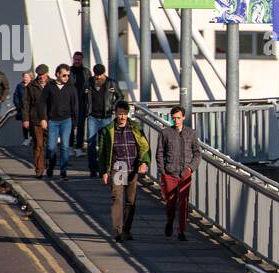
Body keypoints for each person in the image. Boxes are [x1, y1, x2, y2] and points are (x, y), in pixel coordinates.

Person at [96, 101, 150, 243]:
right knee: (117, 199)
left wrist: (144, 162)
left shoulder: (136, 128)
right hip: (118, 167)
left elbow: (145, 146)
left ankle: (126, 229)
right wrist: (104, 171)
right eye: (120, 114)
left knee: (130, 201)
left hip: (132, 167)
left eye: (124, 114)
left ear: (128, 114)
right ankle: (117, 231)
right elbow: (102, 152)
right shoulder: (108, 130)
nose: (122, 117)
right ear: (115, 113)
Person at [155, 105, 200, 241]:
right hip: (170, 173)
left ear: (184, 118)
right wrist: (162, 170)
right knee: (171, 202)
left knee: (184, 202)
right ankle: (170, 221)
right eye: (174, 118)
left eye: (178, 118)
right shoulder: (165, 133)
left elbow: (197, 153)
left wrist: (190, 168)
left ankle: (181, 231)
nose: (176, 121)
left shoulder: (191, 133)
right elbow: (160, 152)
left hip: (185, 173)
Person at [85, 64, 122, 178]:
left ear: (104, 74)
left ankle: (103, 169)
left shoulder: (112, 83)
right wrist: (86, 108)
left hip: (106, 117)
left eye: (100, 75)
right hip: (92, 117)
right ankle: (92, 168)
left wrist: (113, 107)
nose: (98, 78)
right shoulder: (89, 82)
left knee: (104, 144)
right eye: (96, 75)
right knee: (91, 144)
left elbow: (120, 96)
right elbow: (83, 96)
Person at [44, 62, 79, 179]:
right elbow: (41, 103)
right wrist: (43, 119)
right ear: (57, 74)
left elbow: (75, 106)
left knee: (64, 146)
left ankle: (63, 171)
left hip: (66, 121)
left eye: (68, 75)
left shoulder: (71, 88)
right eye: (64, 75)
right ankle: (51, 166)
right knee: (51, 147)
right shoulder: (49, 87)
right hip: (53, 121)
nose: (66, 78)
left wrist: (75, 123)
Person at [22, 65, 51, 178]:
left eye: (43, 75)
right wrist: (25, 119)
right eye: (39, 75)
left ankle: (49, 164)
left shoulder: (52, 84)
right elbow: (25, 104)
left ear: (47, 74)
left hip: (50, 118)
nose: (41, 77)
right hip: (36, 119)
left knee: (50, 145)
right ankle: (39, 169)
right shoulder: (31, 86)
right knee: (38, 145)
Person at [69, 51, 89, 150]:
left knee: (81, 125)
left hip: (82, 102)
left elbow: (90, 86)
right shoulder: (68, 71)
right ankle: (70, 146)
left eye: (79, 59)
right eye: (75, 59)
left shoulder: (86, 72)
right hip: (69, 102)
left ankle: (79, 147)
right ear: (73, 59)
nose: (77, 61)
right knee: (70, 125)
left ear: (82, 60)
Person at [13, 71, 34, 143]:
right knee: (24, 124)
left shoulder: (34, 85)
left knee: (32, 123)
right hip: (23, 109)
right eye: (24, 77)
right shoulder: (19, 86)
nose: (25, 78)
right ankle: (26, 138)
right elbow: (16, 97)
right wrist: (18, 106)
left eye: (27, 77)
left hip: (32, 109)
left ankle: (31, 137)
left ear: (30, 78)